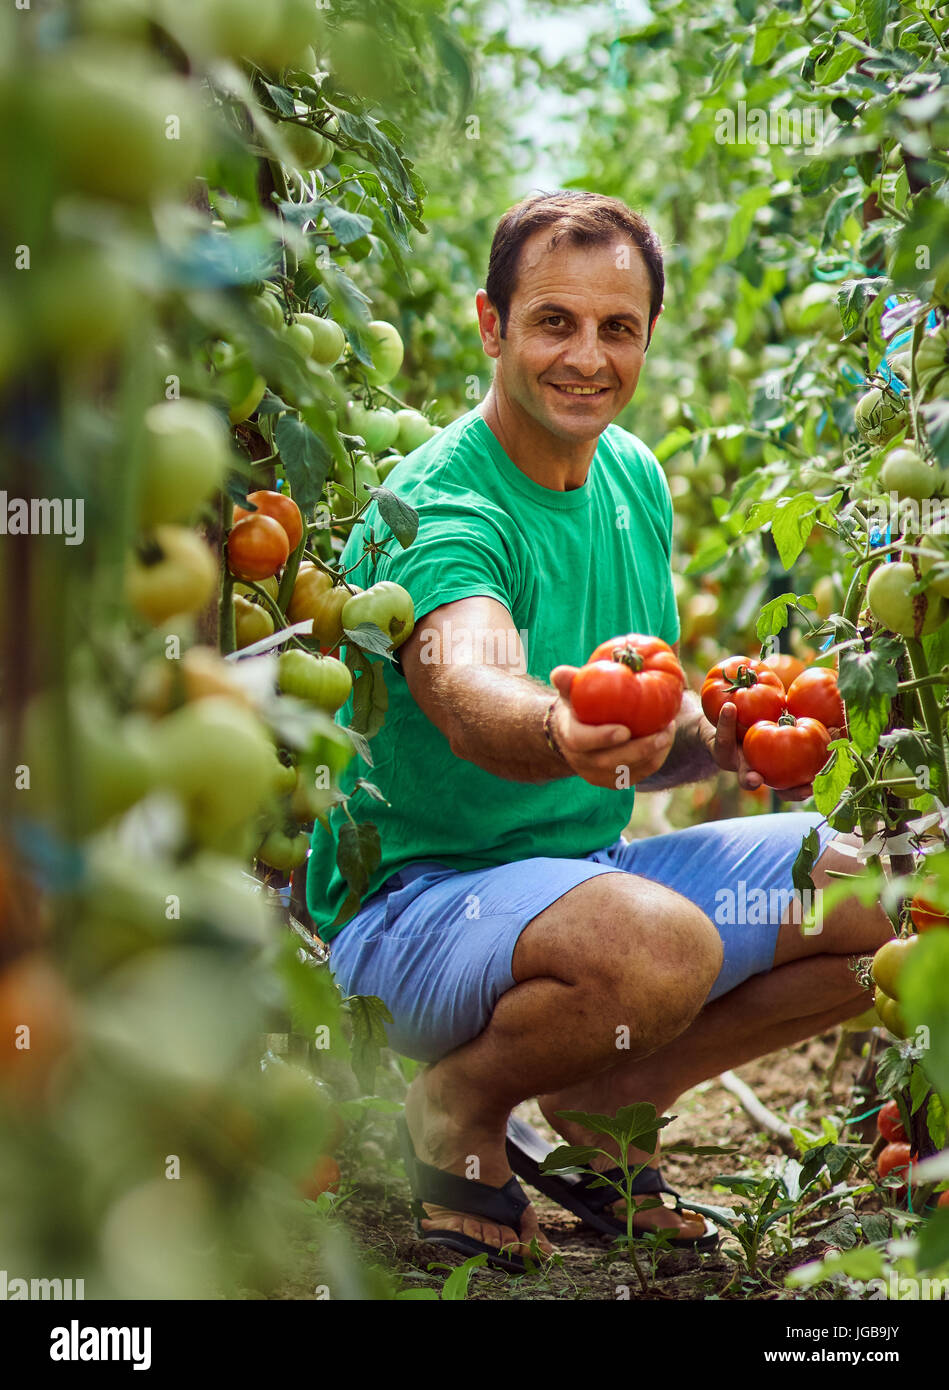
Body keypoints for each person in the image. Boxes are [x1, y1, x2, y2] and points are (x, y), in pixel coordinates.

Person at [305, 191, 892, 1270]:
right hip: (415, 911)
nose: (587, 357)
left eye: (616, 328)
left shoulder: (631, 476)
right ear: (491, 326)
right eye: (553, 322)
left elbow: (634, 735)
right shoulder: (444, 503)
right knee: (660, 942)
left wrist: (718, 737)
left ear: (647, 338)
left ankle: (605, 1096)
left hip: (578, 881)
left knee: (889, 902)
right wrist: (557, 721)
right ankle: (456, 1104)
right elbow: (470, 684)